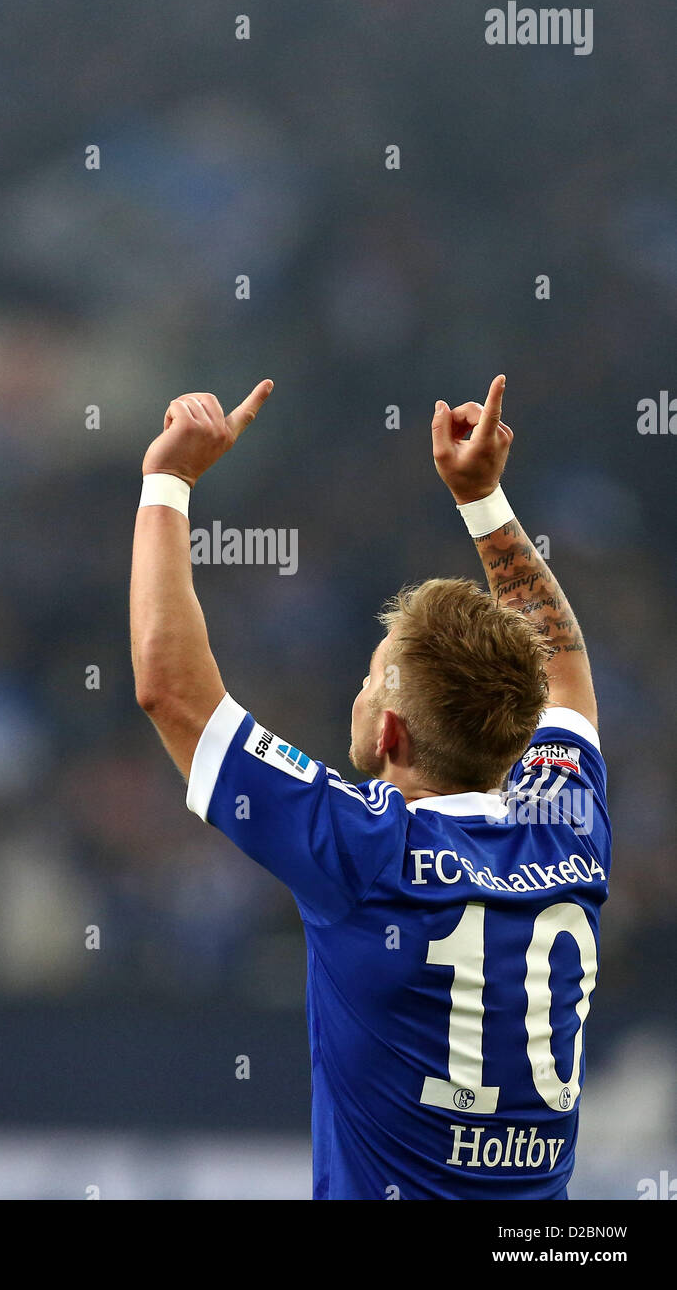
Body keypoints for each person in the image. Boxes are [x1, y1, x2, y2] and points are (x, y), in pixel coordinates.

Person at [130, 375, 609, 1200]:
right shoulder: (564, 827)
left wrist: (166, 480)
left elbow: (170, 691)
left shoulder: (365, 850)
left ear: (389, 736)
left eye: (369, 677)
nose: (360, 687)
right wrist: (485, 504)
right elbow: (561, 673)